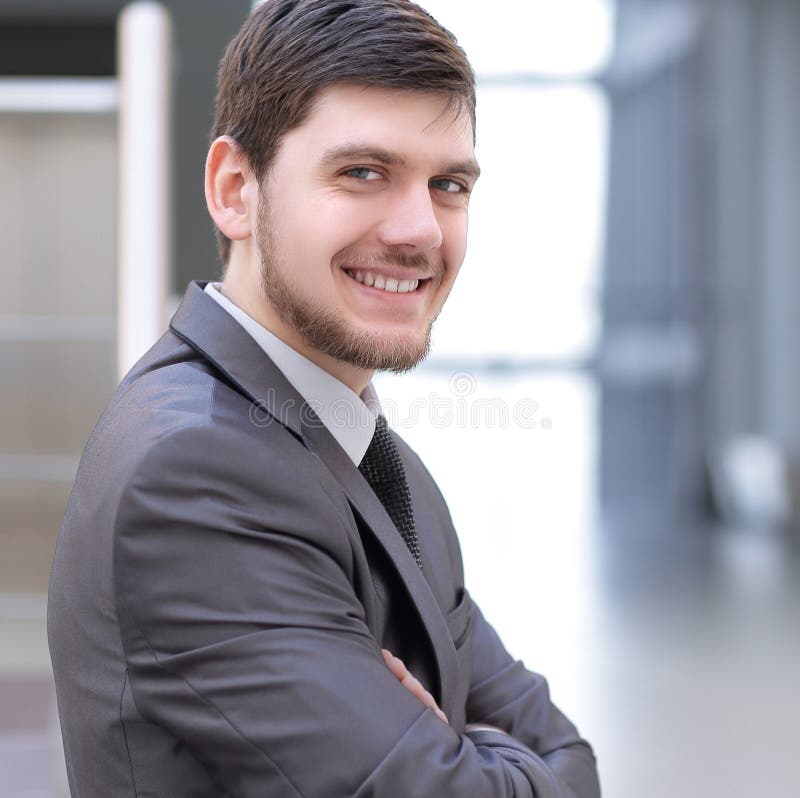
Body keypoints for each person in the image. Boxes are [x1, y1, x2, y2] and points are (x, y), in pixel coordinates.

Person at [48, 1, 601, 796]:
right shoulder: (195, 474)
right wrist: (481, 756)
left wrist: (466, 753)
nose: (420, 231)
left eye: (448, 184)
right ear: (235, 189)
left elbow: (572, 757)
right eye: (363, 173)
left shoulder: (368, 456)